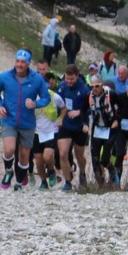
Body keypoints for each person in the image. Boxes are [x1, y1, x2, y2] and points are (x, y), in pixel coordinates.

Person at [0, 48, 50, 190]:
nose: (19, 64)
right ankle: (8, 171)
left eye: (23, 62)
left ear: (28, 64)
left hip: (27, 122)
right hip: (9, 119)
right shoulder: (5, 76)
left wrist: (35, 104)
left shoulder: (37, 79)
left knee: (24, 155)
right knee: (9, 149)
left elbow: (46, 97)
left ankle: (18, 183)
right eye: (18, 61)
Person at [53, 63, 89, 191]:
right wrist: (58, 118)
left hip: (79, 126)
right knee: (63, 153)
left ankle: (83, 173)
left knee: (79, 155)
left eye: (71, 79)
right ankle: (67, 180)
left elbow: (89, 107)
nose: (69, 81)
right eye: (67, 78)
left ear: (77, 76)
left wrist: (80, 112)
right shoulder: (62, 87)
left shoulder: (84, 89)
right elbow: (57, 103)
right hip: (65, 124)